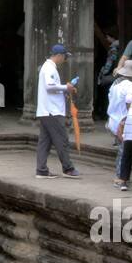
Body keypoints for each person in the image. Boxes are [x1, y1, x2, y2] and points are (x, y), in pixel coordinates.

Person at [35, 44, 79, 179]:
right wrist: (66, 87)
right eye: (65, 57)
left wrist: (63, 91)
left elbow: (51, 88)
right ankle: (68, 168)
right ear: (59, 55)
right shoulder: (49, 68)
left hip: (46, 110)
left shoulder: (48, 67)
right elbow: (49, 86)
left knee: (45, 141)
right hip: (52, 111)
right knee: (62, 139)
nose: (65, 60)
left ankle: (41, 170)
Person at [106, 61, 132, 188]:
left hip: (113, 121)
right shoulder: (131, 87)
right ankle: (120, 177)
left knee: (122, 150)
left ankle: (120, 175)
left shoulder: (115, 86)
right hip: (124, 122)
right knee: (124, 151)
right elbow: (131, 104)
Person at [95, 30, 121, 120]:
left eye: (107, 37)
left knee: (106, 96)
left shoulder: (113, 49)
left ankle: (105, 115)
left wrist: (102, 74)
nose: (106, 39)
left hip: (111, 75)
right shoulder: (121, 46)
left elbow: (109, 63)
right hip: (119, 75)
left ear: (111, 37)